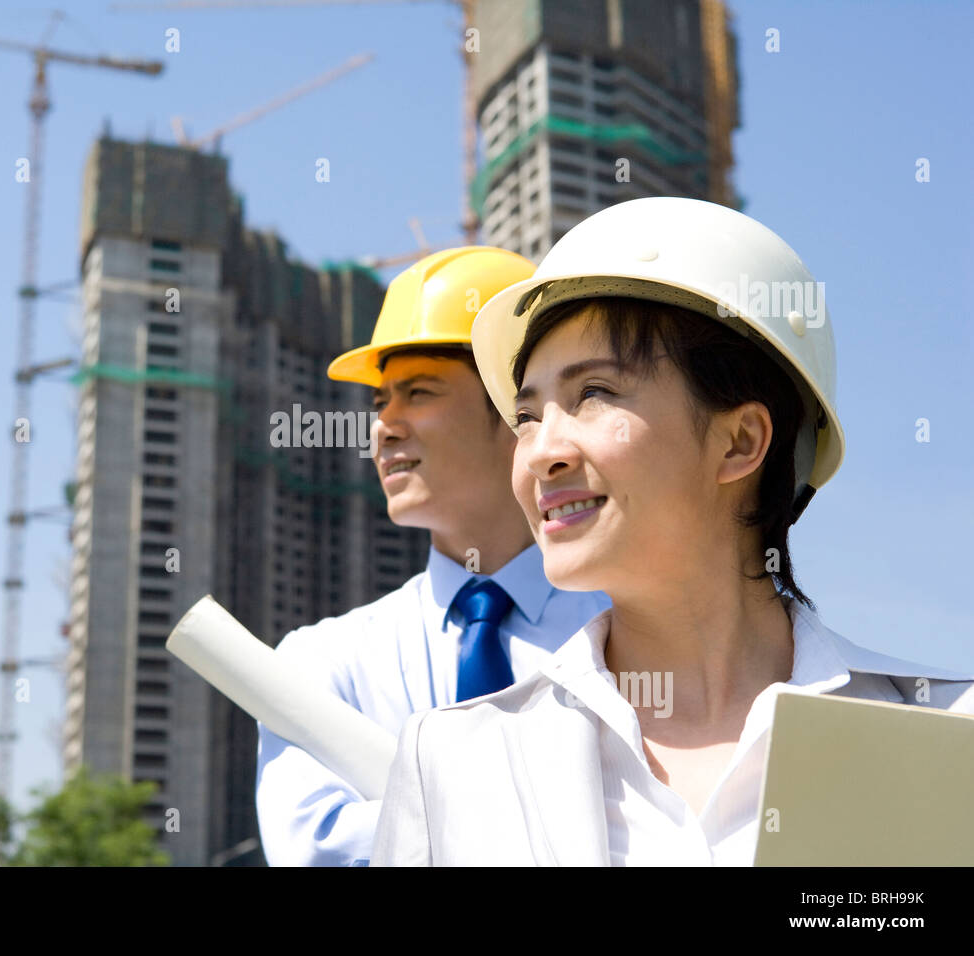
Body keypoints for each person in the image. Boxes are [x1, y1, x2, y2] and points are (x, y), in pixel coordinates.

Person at [370, 197, 974, 866]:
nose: (541, 452)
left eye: (594, 392)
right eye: (528, 416)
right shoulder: (450, 765)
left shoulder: (949, 740)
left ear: (740, 441)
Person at [255, 246, 611, 867]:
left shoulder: (632, 632)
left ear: (515, 413)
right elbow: (320, 852)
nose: (384, 427)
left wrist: (411, 818)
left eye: (418, 393)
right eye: (379, 403)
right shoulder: (322, 663)